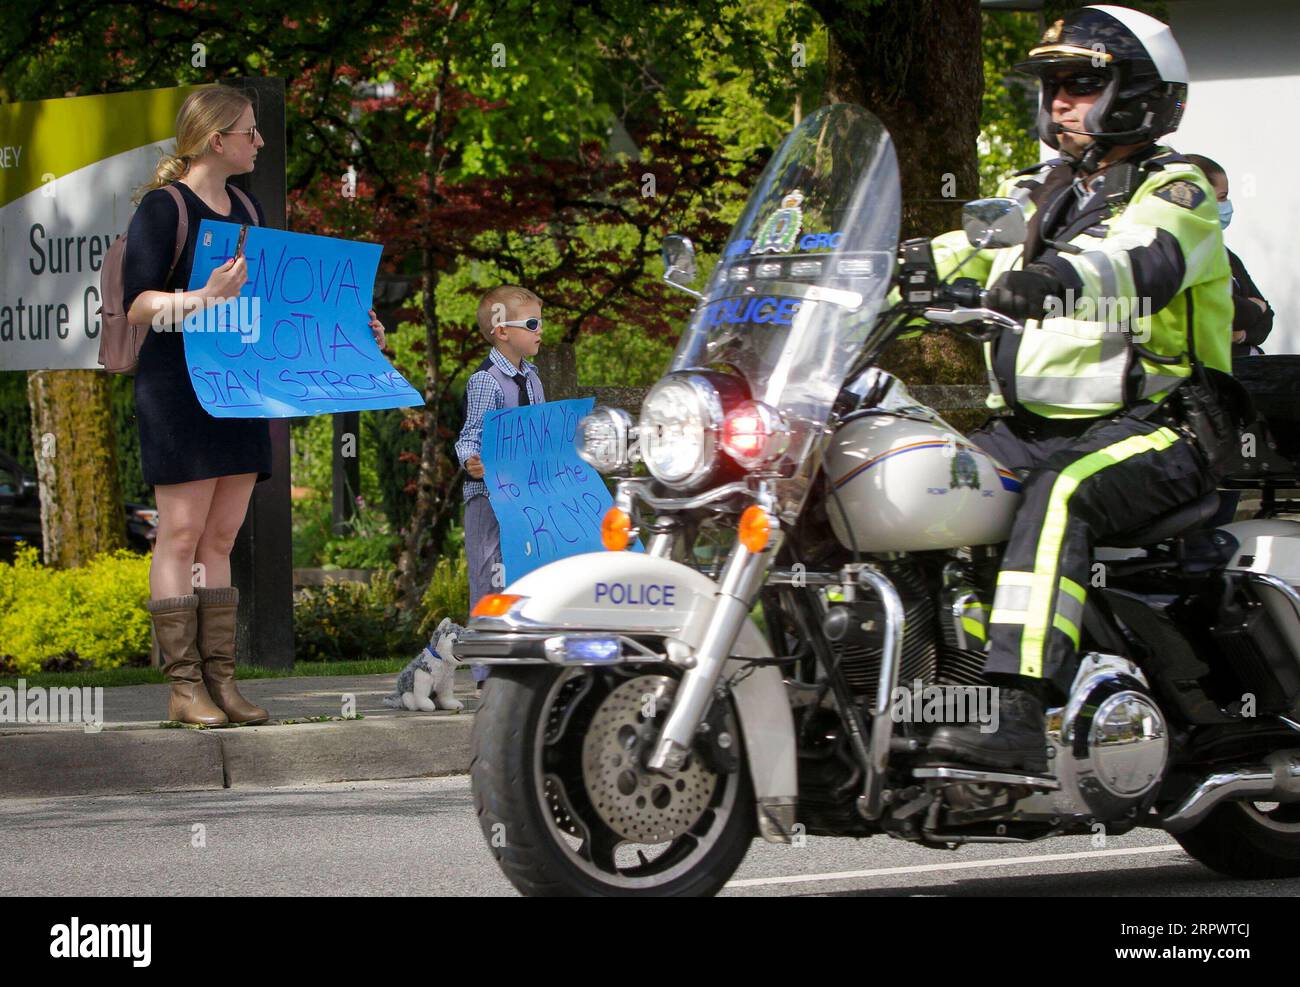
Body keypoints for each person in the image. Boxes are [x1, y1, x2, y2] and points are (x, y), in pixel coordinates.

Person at [924, 5, 1233, 772]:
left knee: (1060, 493)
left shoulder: (1176, 189)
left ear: (1139, 93)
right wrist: (856, 269)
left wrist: (1054, 277)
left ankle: (1017, 708)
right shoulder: (1035, 194)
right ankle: (915, 685)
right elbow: (956, 251)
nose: (1058, 99)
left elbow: (1141, 259)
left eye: (1080, 82)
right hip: (1029, 427)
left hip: (1162, 427)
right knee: (917, 479)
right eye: (1052, 84)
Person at [123, 88, 386, 725]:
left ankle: (223, 683)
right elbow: (138, 305)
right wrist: (203, 297)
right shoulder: (164, 209)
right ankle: (184, 689)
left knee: (221, 538)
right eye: (250, 132)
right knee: (180, 537)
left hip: (238, 388)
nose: (259, 142)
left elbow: (273, 302)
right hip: (178, 389)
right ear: (217, 141)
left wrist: (350, 328)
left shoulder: (246, 205)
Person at [454, 285, 547, 688]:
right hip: (488, 499)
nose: (540, 330)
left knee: (525, 572)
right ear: (501, 331)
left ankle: (522, 658)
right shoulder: (486, 382)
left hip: (524, 496)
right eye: (532, 324)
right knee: (489, 575)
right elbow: (470, 435)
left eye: (540, 322)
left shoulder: (534, 378)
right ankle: (486, 670)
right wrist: (471, 462)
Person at [1183, 154, 1273, 359]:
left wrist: (1242, 334)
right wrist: (1255, 308)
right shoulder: (1181, 253)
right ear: (1198, 197)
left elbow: (1268, 317)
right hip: (1209, 373)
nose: (1227, 205)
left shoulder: (1225, 253)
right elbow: (1224, 309)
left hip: (1246, 365)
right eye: (1222, 197)